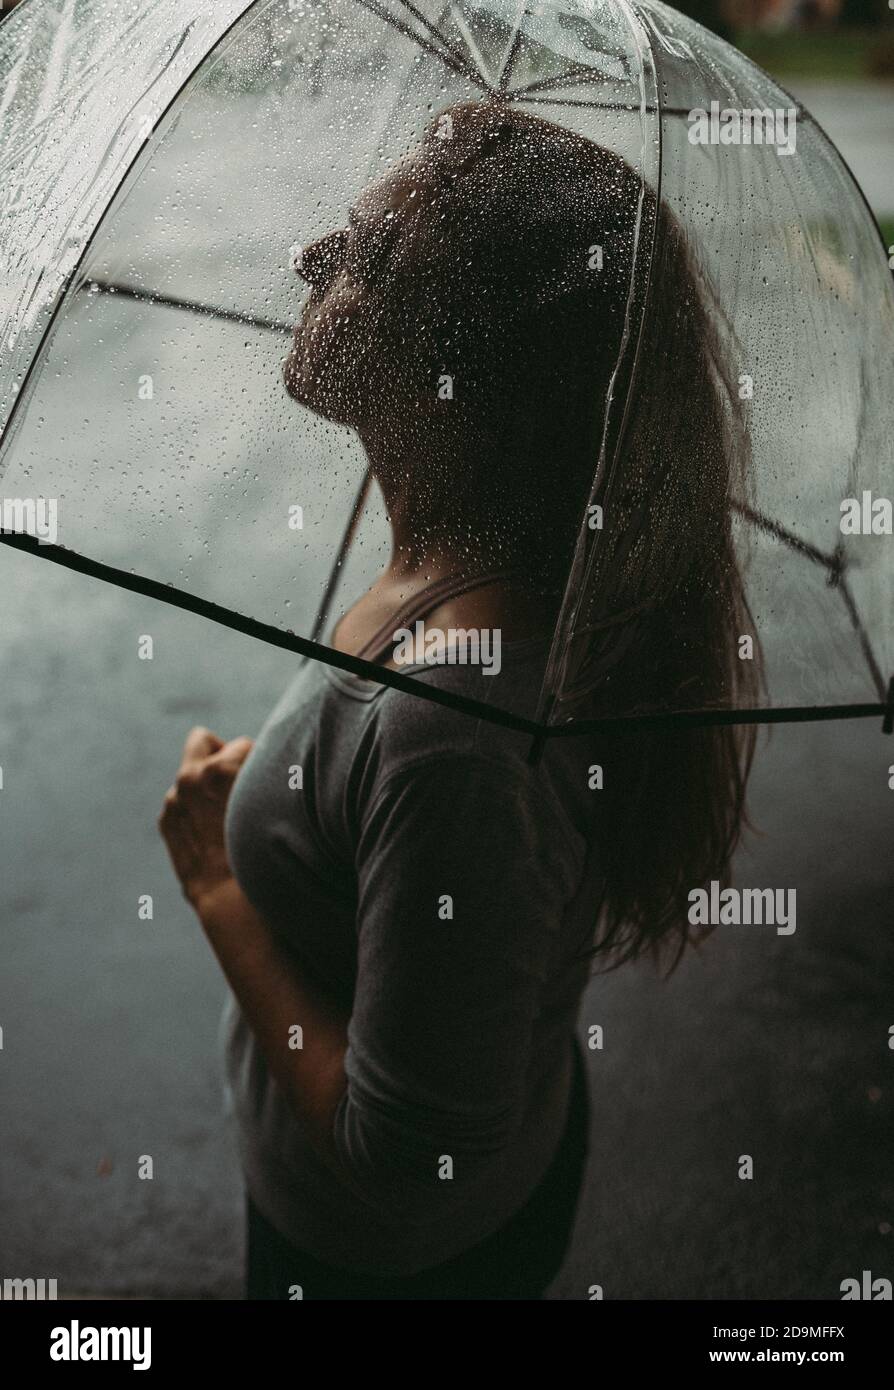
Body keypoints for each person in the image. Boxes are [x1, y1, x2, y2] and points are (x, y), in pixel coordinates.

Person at [159, 101, 761, 1298]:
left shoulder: (457, 727)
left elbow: (410, 1154)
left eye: (368, 257)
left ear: (470, 362)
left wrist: (218, 885)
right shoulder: (466, 558)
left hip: (385, 1262)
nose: (309, 260)